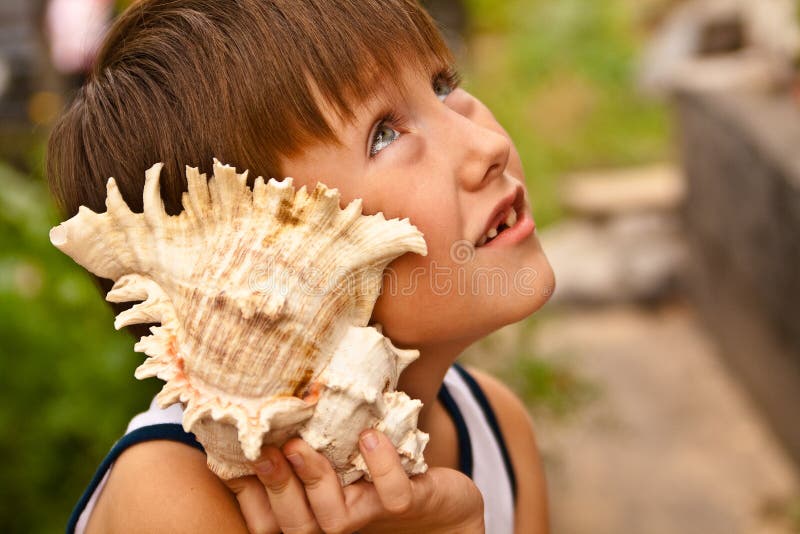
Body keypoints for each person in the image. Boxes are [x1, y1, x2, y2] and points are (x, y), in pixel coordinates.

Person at [47, 0, 555, 532]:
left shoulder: (498, 426)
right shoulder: (170, 492)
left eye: (444, 84)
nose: (489, 144)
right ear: (251, 263)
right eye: (384, 133)